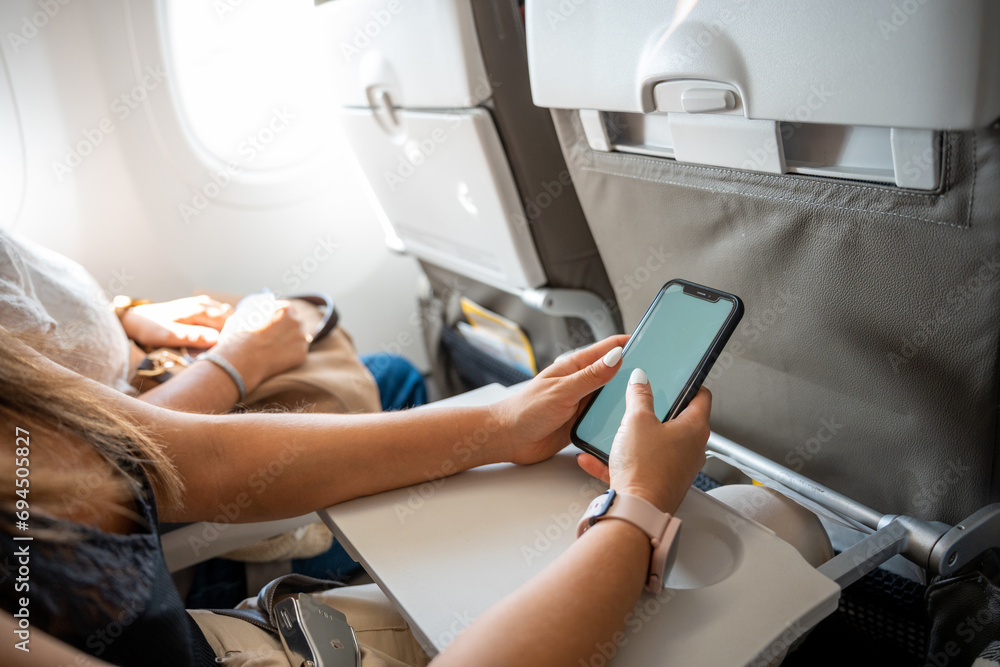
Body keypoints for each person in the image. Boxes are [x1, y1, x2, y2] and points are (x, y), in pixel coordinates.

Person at [0, 328, 710, 666]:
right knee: (769, 533)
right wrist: (637, 512)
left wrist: (501, 425)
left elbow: (195, 456)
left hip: (237, 642)